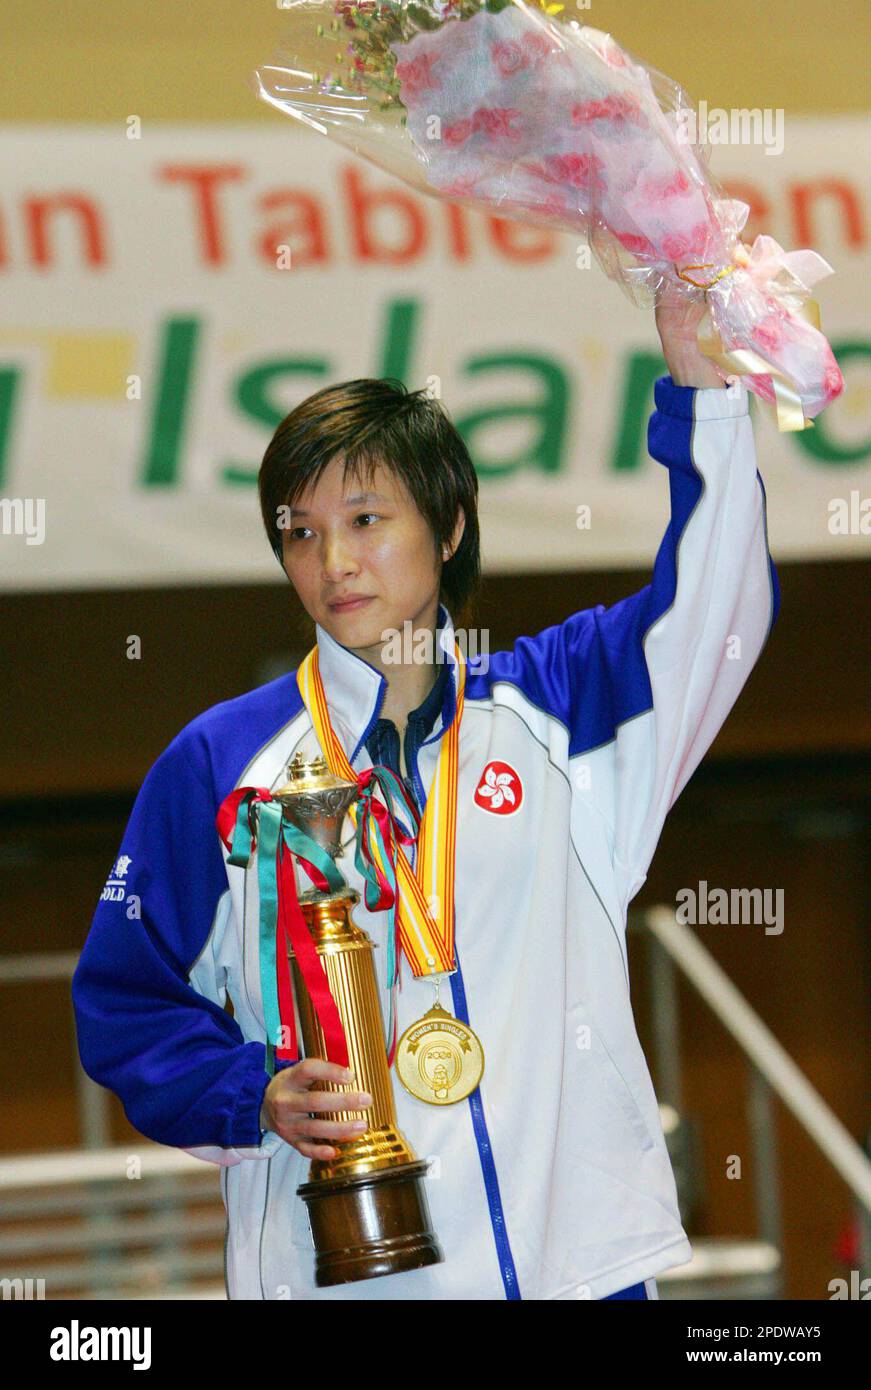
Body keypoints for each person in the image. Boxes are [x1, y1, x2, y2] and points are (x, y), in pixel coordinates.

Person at [71, 288, 778, 1300]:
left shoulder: (565, 708)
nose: (333, 562)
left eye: (365, 520)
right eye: (300, 532)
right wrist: (250, 1093)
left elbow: (719, 600)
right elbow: (126, 1002)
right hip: (341, 1277)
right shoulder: (218, 762)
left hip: (575, 1272)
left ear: (447, 527)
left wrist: (701, 389)